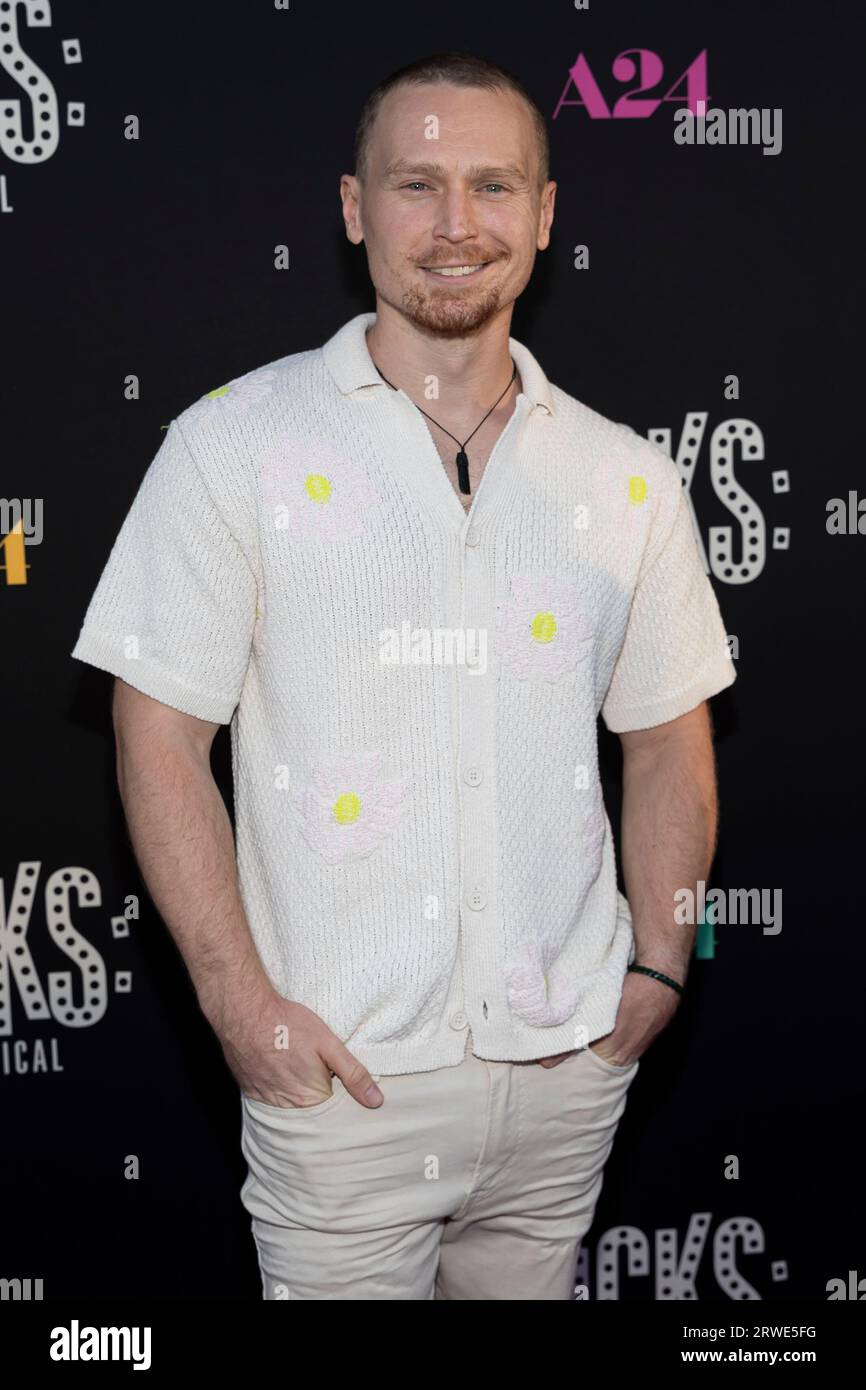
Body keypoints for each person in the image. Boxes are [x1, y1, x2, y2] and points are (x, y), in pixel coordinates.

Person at [70, 50, 737, 1300]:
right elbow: (156, 735)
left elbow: (666, 739)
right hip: (341, 1084)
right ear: (350, 208)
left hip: (566, 1074)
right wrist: (238, 1006)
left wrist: (657, 969)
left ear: (543, 217)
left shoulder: (626, 479)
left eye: (492, 186)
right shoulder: (233, 449)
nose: (454, 225)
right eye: (415, 184)